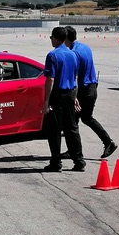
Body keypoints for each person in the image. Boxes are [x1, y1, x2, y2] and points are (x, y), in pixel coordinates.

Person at [65, 26, 118, 159]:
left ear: (66, 38)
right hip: (92, 87)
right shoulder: (85, 47)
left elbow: (75, 76)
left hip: (83, 90)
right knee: (83, 119)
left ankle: (76, 151)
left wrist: (74, 96)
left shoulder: (74, 53)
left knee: (74, 121)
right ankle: (75, 149)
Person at [41, 26, 85, 172]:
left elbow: (50, 80)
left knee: (54, 130)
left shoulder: (52, 55)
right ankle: (79, 160)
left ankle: (56, 161)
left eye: (51, 38)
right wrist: (75, 96)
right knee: (71, 128)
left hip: (58, 95)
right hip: (71, 93)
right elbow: (75, 77)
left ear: (55, 38)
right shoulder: (73, 54)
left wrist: (46, 101)